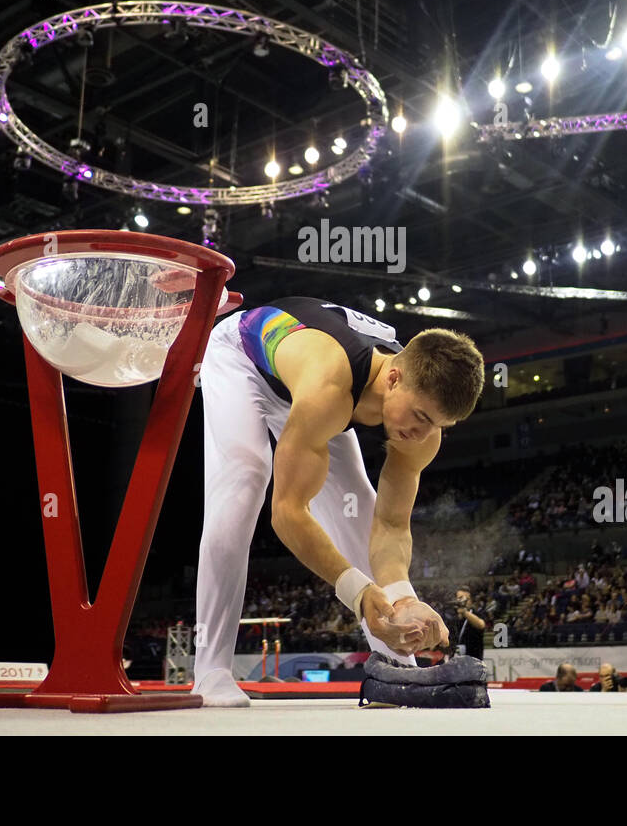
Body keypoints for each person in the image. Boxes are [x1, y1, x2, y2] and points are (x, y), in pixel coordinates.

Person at [192, 298, 486, 707]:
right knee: (246, 481)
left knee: (360, 506)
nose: (424, 433)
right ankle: (211, 670)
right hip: (241, 358)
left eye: (438, 425)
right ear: (394, 378)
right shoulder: (328, 384)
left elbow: (392, 525)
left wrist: (402, 598)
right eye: (420, 417)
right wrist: (357, 592)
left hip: (319, 390)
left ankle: (395, 662)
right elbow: (288, 513)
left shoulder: (422, 423)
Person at [449, 587, 487, 661]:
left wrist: (464, 612)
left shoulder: (476, 614)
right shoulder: (452, 617)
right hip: (455, 664)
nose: (463, 601)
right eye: (460, 598)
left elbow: (481, 625)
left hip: (473, 664)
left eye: (466, 599)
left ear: (471, 601)